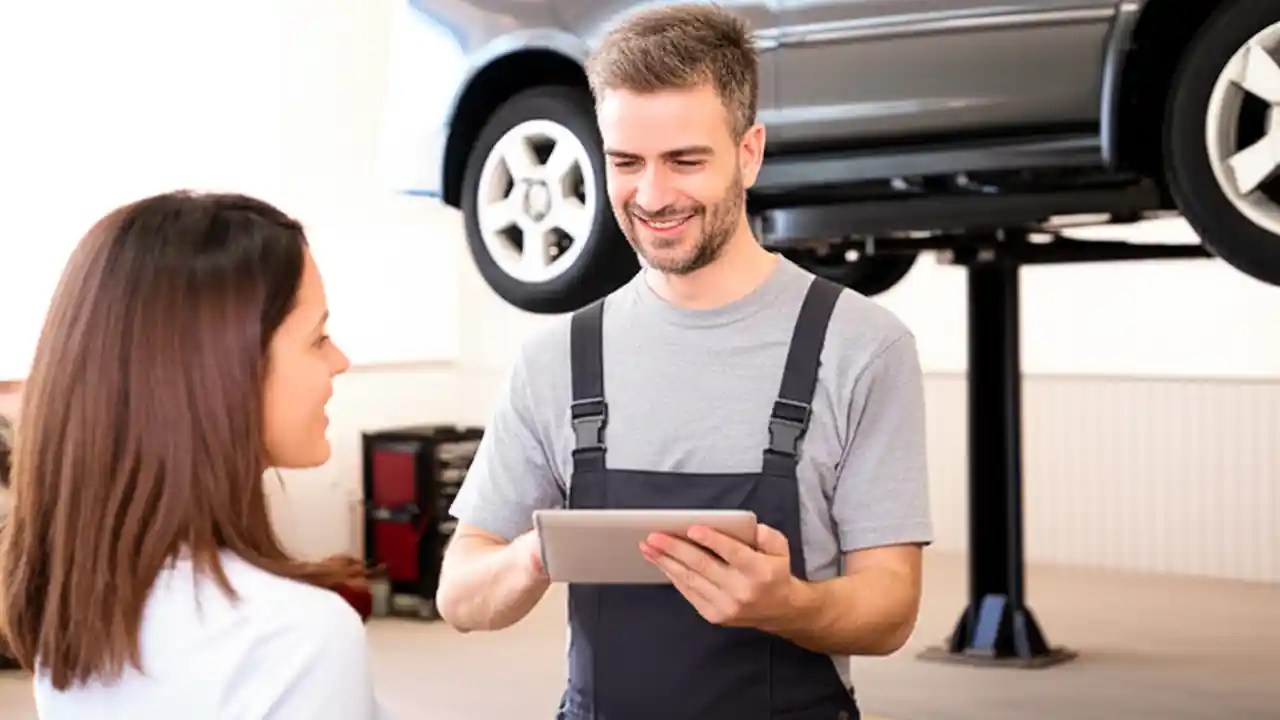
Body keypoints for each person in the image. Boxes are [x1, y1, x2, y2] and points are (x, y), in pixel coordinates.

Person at [436, 4, 933, 719]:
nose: (653, 196)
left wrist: (786, 604)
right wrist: (538, 556)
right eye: (626, 163)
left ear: (750, 152)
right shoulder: (557, 360)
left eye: (685, 161)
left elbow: (890, 607)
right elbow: (460, 595)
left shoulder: (861, 347)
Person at [0, 191, 384, 718]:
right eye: (318, 338)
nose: (340, 361)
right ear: (225, 372)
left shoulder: (74, 616)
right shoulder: (298, 638)